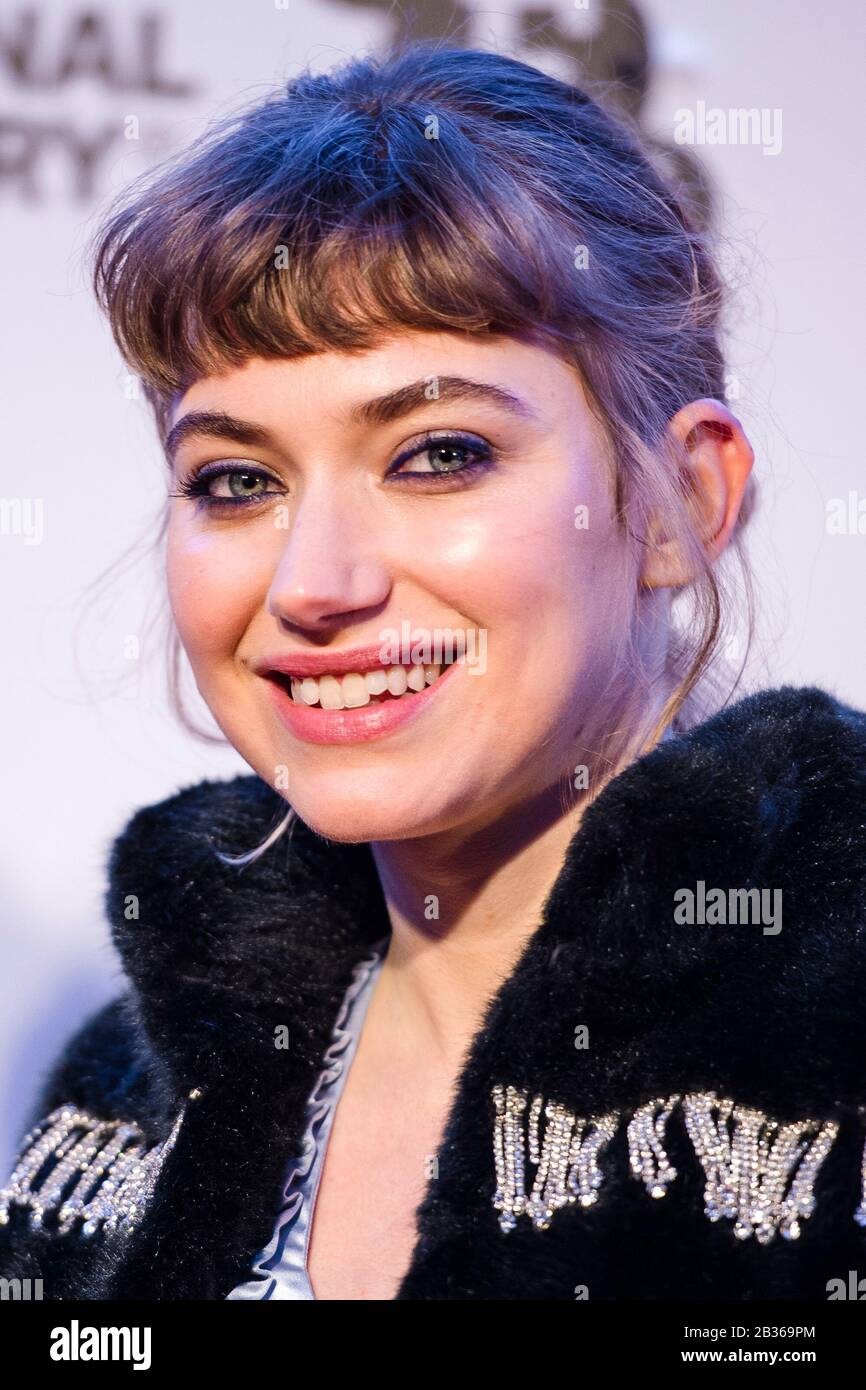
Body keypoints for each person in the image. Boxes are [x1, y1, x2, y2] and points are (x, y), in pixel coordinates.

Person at [2, 41, 865, 1302]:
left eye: (437, 453)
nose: (314, 582)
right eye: (236, 480)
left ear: (681, 501)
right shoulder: (128, 1086)